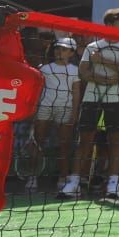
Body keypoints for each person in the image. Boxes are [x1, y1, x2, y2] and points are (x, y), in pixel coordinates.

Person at [66, 9, 119, 201]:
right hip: (92, 98)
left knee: (116, 141)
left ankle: (113, 185)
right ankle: (73, 182)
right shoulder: (92, 46)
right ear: (110, 25)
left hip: (117, 100)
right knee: (85, 139)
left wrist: (103, 61)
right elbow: (83, 72)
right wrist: (99, 77)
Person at [36, 38, 79, 188]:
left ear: (71, 53)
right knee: (38, 142)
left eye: (64, 49)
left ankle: (63, 178)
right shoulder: (44, 69)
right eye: (58, 48)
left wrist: (74, 114)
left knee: (64, 145)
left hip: (65, 109)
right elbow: (37, 91)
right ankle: (33, 176)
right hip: (45, 107)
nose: (60, 51)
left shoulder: (75, 70)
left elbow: (76, 93)